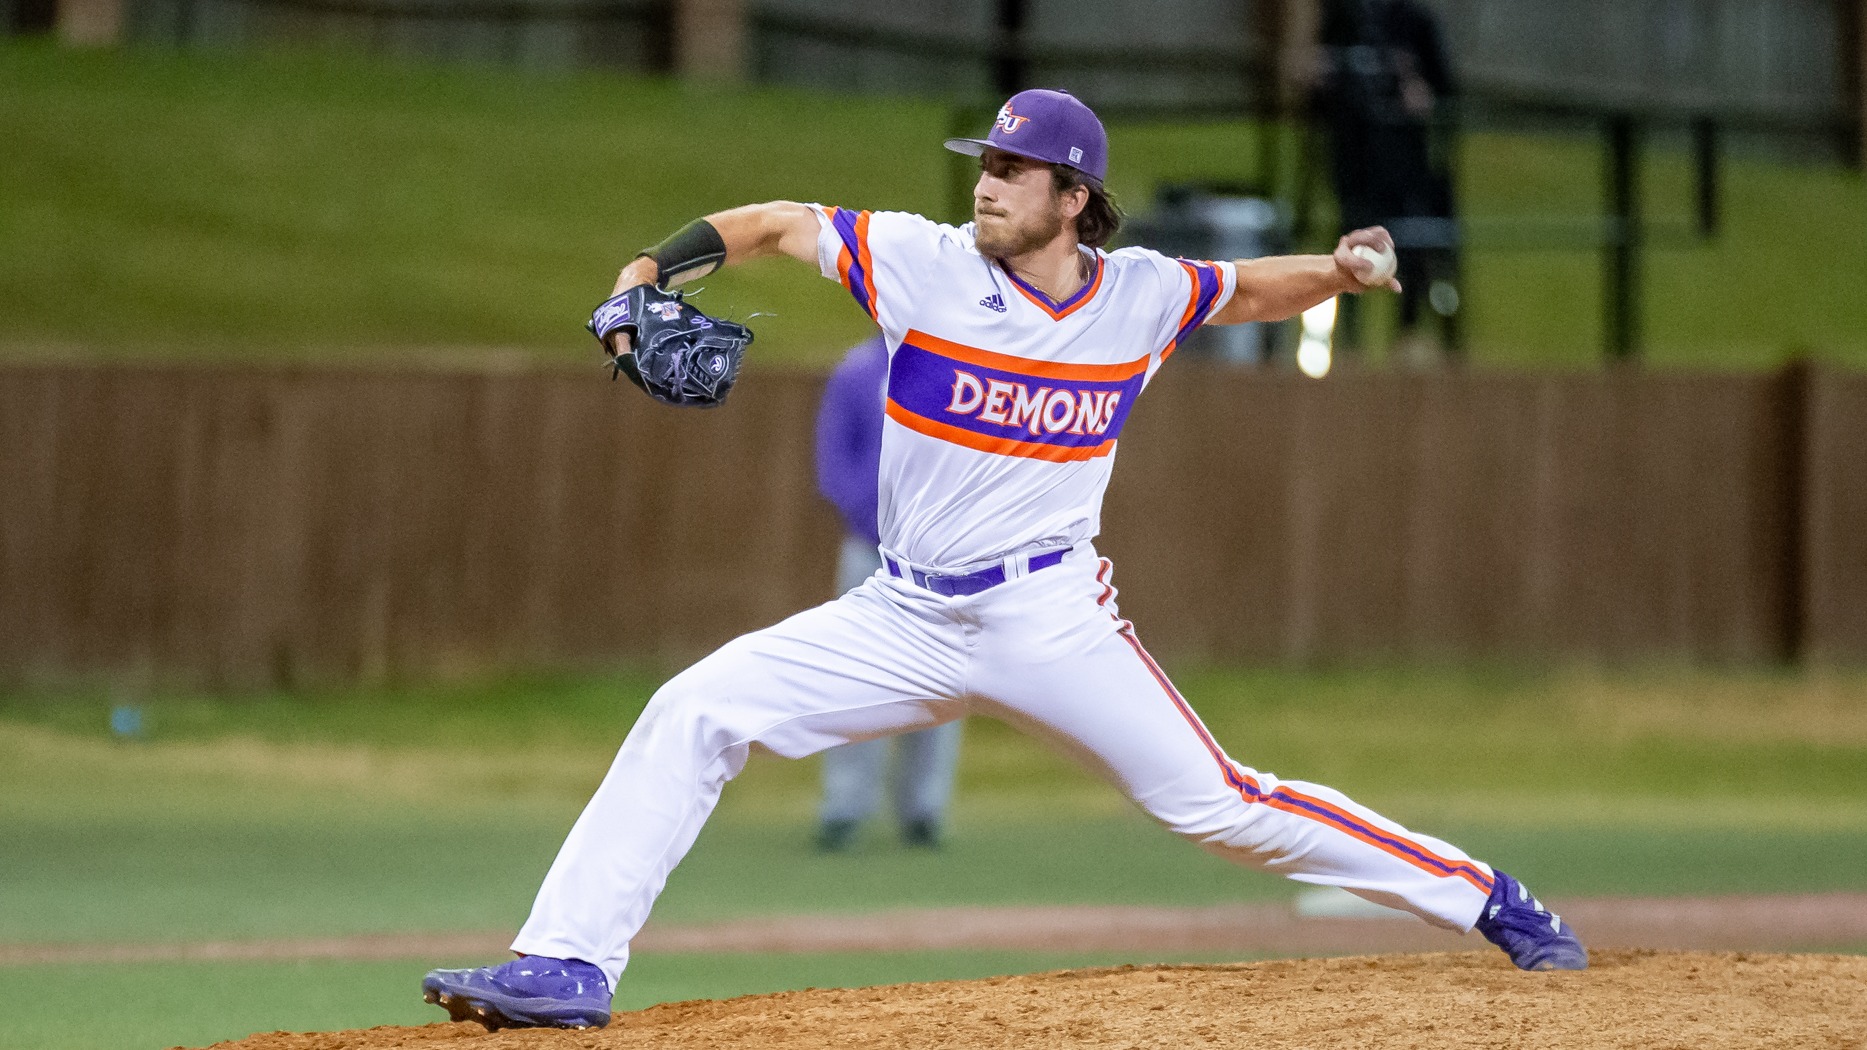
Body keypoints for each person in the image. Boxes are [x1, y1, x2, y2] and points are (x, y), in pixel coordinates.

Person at [422, 87, 1586, 1032]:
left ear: (1072, 197)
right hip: (900, 614)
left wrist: (1335, 274)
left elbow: (1238, 291)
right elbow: (774, 223)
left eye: (1011, 169)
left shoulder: (1138, 296)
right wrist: (647, 271)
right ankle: (566, 964)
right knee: (692, 709)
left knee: (1224, 807)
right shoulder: (921, 265)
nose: (984, 180)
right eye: (984, 162)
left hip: (1052, 621)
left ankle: (1487, 897)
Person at [813, 334, 964, 851]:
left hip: (942, 557)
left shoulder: (956, 364)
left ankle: (923, 808)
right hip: (869, 548)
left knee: (941, 684)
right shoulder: (858, 369)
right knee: (853, 679)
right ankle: (844, 806)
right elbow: (835, 456)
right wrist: (872, 515)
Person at [1313, 0, 1461, 362]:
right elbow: (1319, 91)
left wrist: (1418, 91)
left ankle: (1406, 335)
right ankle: (1346, 342)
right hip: (1354, 160)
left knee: (1410, 246)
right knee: (1346, 245)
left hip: (1405, 162)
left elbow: (1444, 89)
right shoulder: (1342, 17)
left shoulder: (1413, 20)